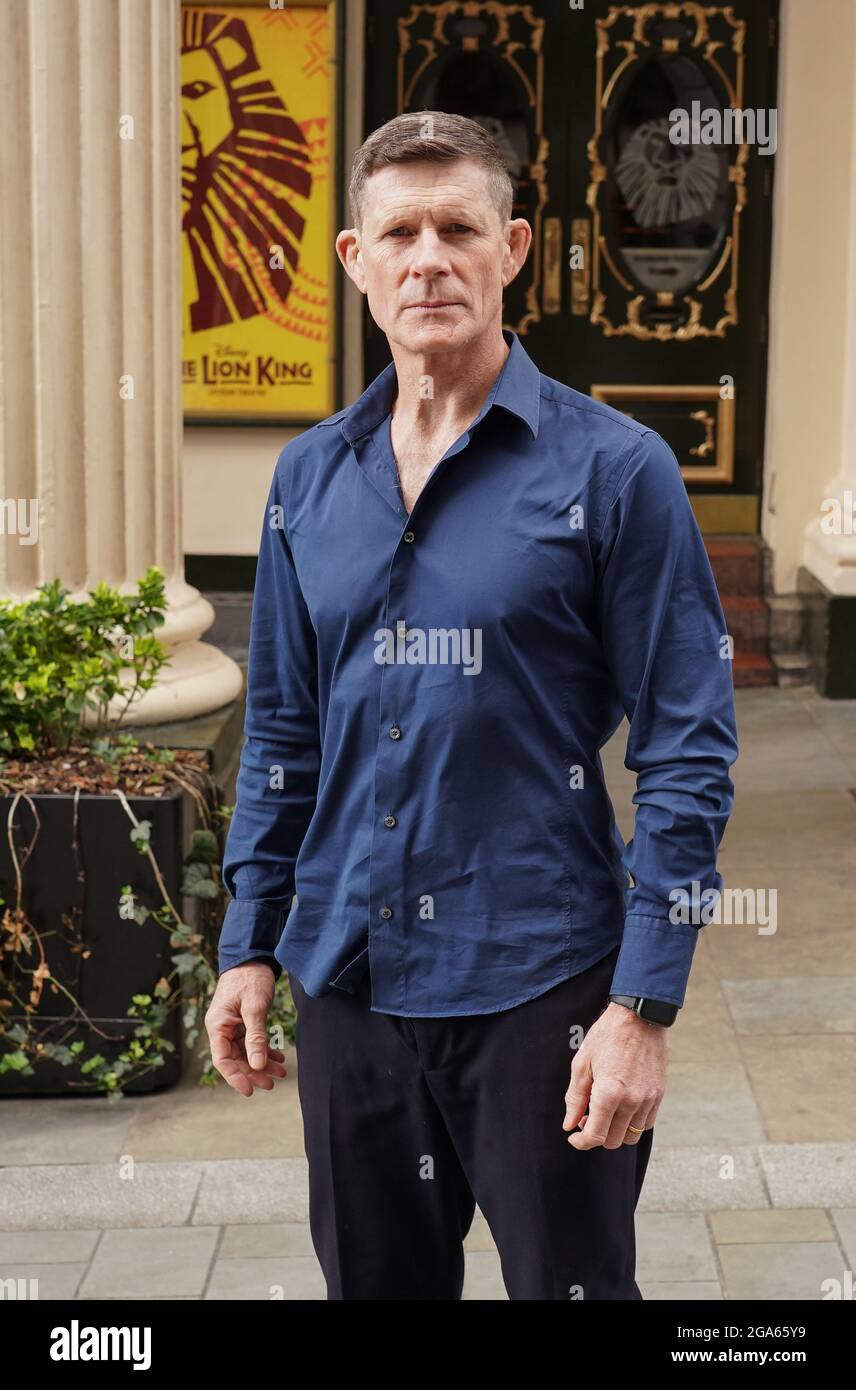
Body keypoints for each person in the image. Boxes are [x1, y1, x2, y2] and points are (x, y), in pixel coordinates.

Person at [204, 110, 739, 1301]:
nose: (429, 257)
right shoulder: (310, 477)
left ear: (515, 250)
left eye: (459, 227)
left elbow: (689, 749)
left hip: (540, 981)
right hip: (347, 978)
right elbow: (283, 732)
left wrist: (642, 1005)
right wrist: (248, 942)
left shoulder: (614, 471)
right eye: (400, 231)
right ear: (355, 260)